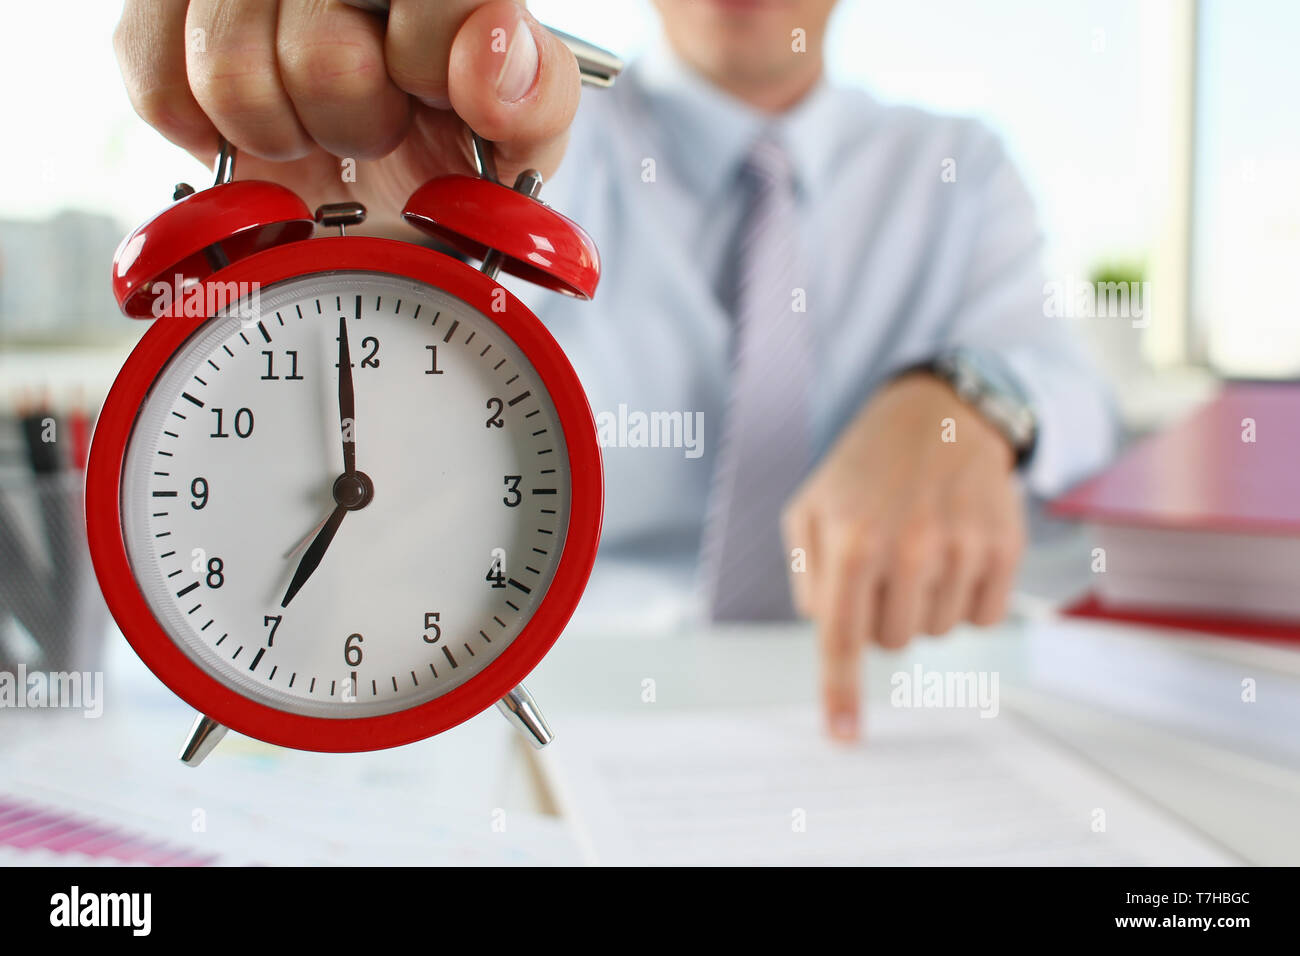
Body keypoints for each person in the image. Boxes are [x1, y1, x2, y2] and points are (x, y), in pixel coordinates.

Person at [113, 0, 1116, 739]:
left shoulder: (957, 167)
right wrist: (340, 236)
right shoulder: (498, 141)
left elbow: (1070, 388)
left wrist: (964, 399)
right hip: (544, 692)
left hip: (877, 697)